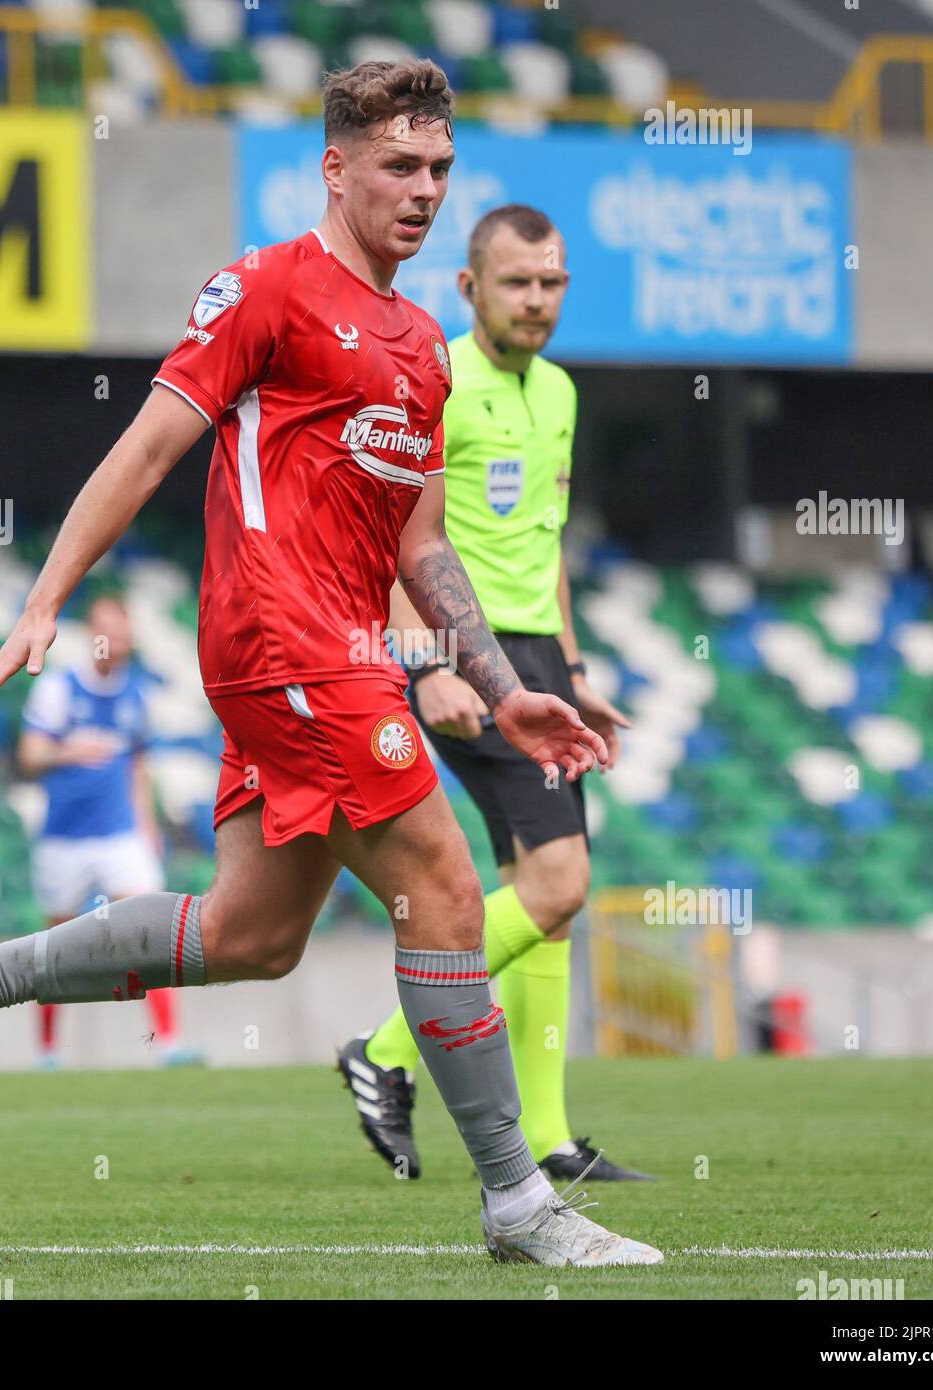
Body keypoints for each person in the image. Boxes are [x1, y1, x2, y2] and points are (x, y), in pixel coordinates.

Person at [0, 59, 661, 1268]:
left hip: (334, 652)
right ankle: (518, 1203)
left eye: (439, 167)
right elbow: (142, 452)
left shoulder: (423, 353)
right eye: (398, 165)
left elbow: (425, 548)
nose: (422, 188)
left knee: (252, 934)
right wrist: (43, 602)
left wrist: (507, 694)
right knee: (445, 887)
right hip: (284, 642)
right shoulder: (264, 291)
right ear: (334, 167)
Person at [338, 205, 653, 1184]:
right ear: (468, 287)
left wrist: (576, 667)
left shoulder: (556, 392)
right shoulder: (436, 383)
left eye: (552, 282)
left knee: (547, 897)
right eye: (516, 281)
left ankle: (549, 1133)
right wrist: (429, 663)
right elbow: (399, 539)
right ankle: (385, 1049)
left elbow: (545, 543)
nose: (537, 300)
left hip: (541, 661)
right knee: (559, 881)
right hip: (473, 656)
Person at [18, 593, 201, 1068]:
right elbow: (29, 757)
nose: (114, 642)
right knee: (56, 942)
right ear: (90, 636)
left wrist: (148, 828)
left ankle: (169, 1042)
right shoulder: (58, 690)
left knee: (149, 927)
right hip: (64, 838)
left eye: (121, 633)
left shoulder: (136, 693)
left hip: (120, 835)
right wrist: (68, 751)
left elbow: (138, 767)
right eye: (106, 632)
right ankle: (48, 1051)